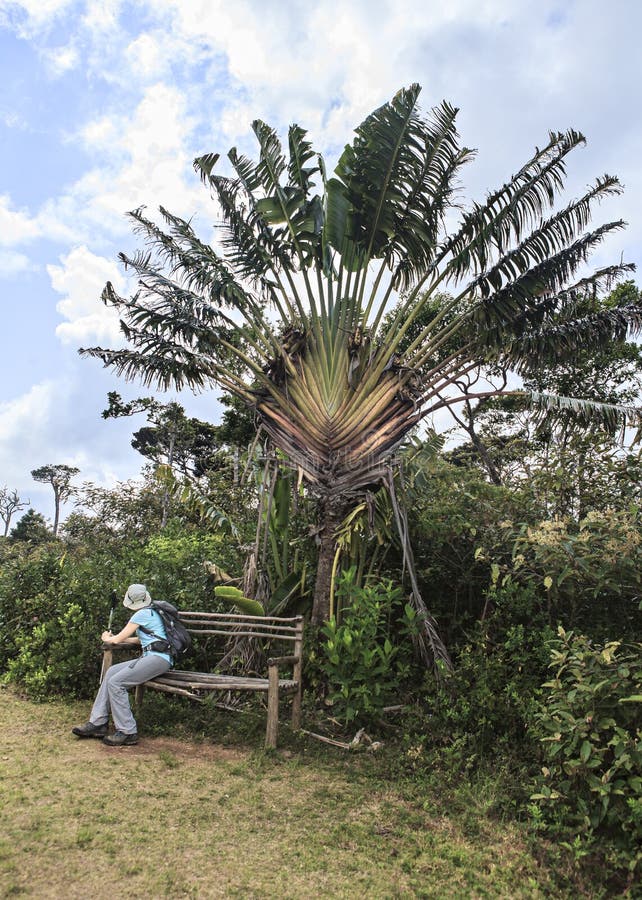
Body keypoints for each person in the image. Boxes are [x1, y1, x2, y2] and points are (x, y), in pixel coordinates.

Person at [72, 584, 172, 746]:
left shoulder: (140, 615)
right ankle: (98, 722)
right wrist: (118, 638)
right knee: (112, 672)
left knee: (116, 683)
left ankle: (127, 731)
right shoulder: (152, 612)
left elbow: (116, 640)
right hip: (156, 658)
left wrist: (107, 638)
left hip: (157, 659)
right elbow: (141, 640)